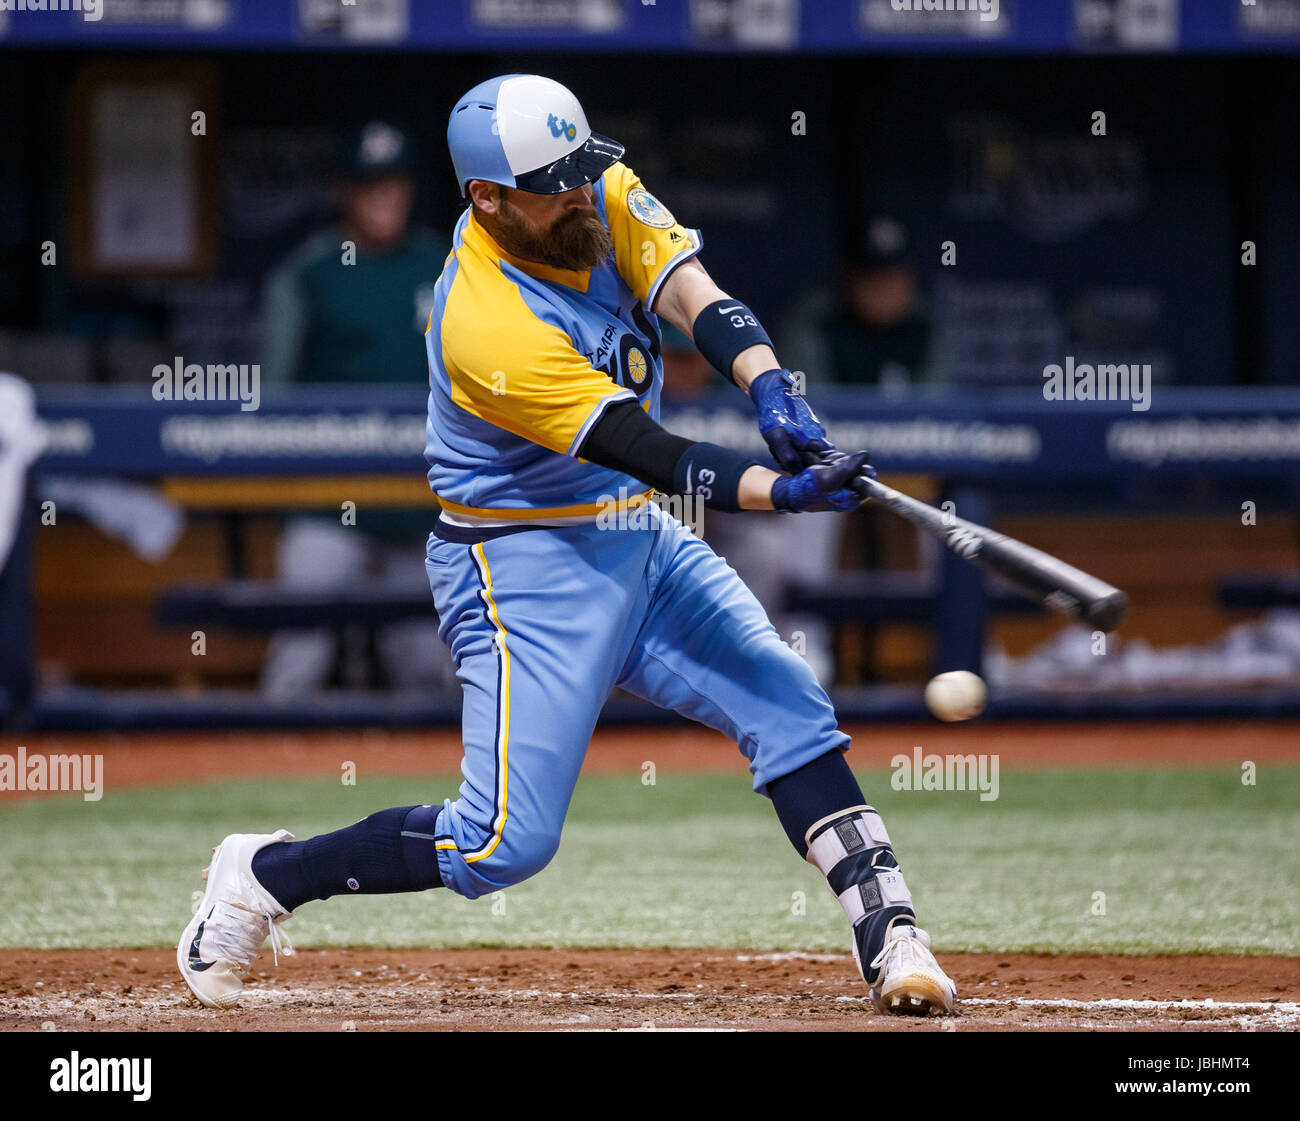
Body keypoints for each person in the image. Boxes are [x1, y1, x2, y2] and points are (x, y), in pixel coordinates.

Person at [178, 75, 957, 1018]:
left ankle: (893, 934)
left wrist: (767, 384)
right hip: (522, 566)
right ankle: (263, 874)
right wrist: (777, 489)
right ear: (488, 199)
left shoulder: (598, 188)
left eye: (581, 171)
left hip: (636, 537)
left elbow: (692, 291)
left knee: (786, 697)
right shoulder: (479, 318)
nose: (580, 192)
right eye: (553, 184)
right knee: (499, 844)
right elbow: (642, 445)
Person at [258, 122, 453, 697]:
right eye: (370, 185)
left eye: (394, 183)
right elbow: (274, 397)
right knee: (297, 659)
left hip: (420, 509)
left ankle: (441, 788)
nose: (384, 196)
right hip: (326, 505)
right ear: (345, 191)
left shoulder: (444, 266)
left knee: (431, 670)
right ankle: (258, 768)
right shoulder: (311, 271)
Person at [781, 214, 940, 390]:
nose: (883, 290)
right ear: (848, 280)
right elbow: (805, 404)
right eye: (872, 278)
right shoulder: (818, 321)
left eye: (893, 279)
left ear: (911, 280)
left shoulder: (927, 323)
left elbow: (940, 406)